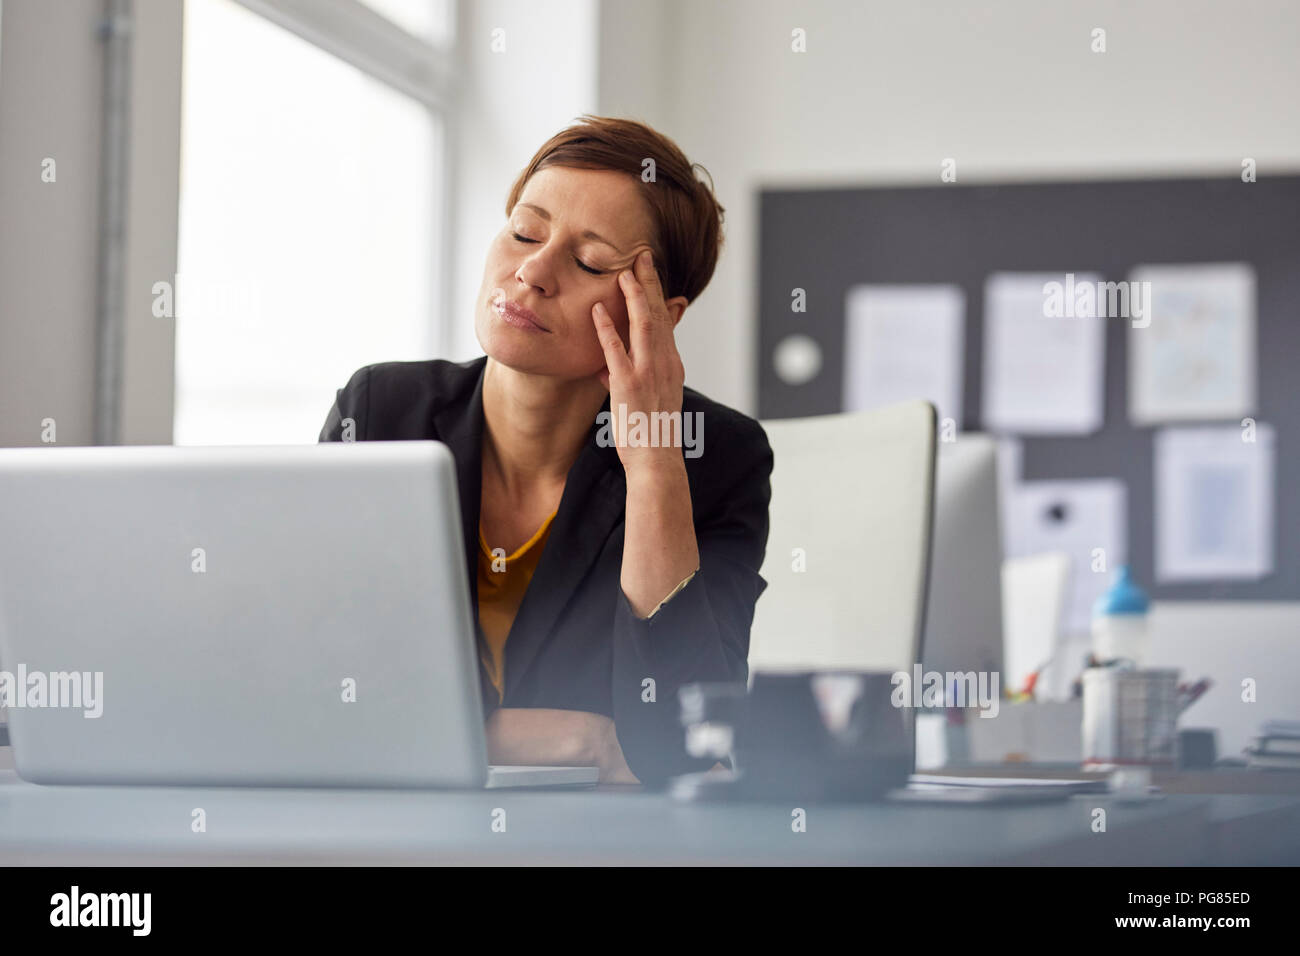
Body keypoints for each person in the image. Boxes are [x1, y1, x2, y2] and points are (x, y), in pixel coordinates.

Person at [320, 115, 773, 787]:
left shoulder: (717, 459)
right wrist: (578, 738)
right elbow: (326, 695)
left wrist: (651, 462)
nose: (532, 271)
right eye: (525, 232)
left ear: (659, 315)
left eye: (589, 261)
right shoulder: (383, 411)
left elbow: (681, 742)